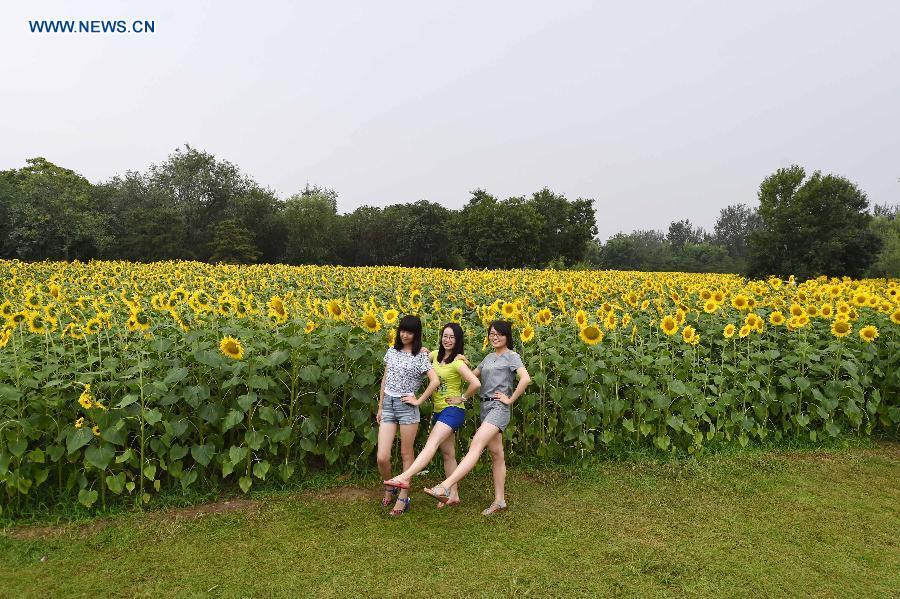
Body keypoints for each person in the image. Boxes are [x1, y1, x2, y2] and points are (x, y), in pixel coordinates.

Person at [424, 320, 531, 515]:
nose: (495, 337)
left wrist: (510, 399)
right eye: (492, 333)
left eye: (499, 334)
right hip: (485, 406)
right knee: (497, 454)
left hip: (499, 407)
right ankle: (500, 501)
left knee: (476, 444)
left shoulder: (512, 356)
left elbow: (525, 378)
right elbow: (470, 375)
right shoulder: (488, 357)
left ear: (507, 337)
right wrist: (459, 360)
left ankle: (445, 486)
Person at [382, 322, 481, 507]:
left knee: (432, 443)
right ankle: (453, 495)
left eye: (452, 337)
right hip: (439, 411)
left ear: (458, 340)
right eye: (445, 336)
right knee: (448, 455)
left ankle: (404, 476)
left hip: (453, 411)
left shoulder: (458, 362)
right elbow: (422, 356)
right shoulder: (435, 355)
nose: (448, 340)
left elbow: (475, 383)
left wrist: (462, 398)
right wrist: (423, 350)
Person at [377, 314, 440, 516]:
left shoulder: (420, 355)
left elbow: (435, 381)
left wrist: (419, 400)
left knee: (406, 454)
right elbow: (385, 380)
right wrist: (380, 407)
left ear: (416, 334)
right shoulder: (391, 351)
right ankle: (389, 487)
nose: (405, 335)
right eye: (403, 330)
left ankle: (403, 498)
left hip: (407, 407)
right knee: (382, 457)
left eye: (410, 331)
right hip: (388, 404)